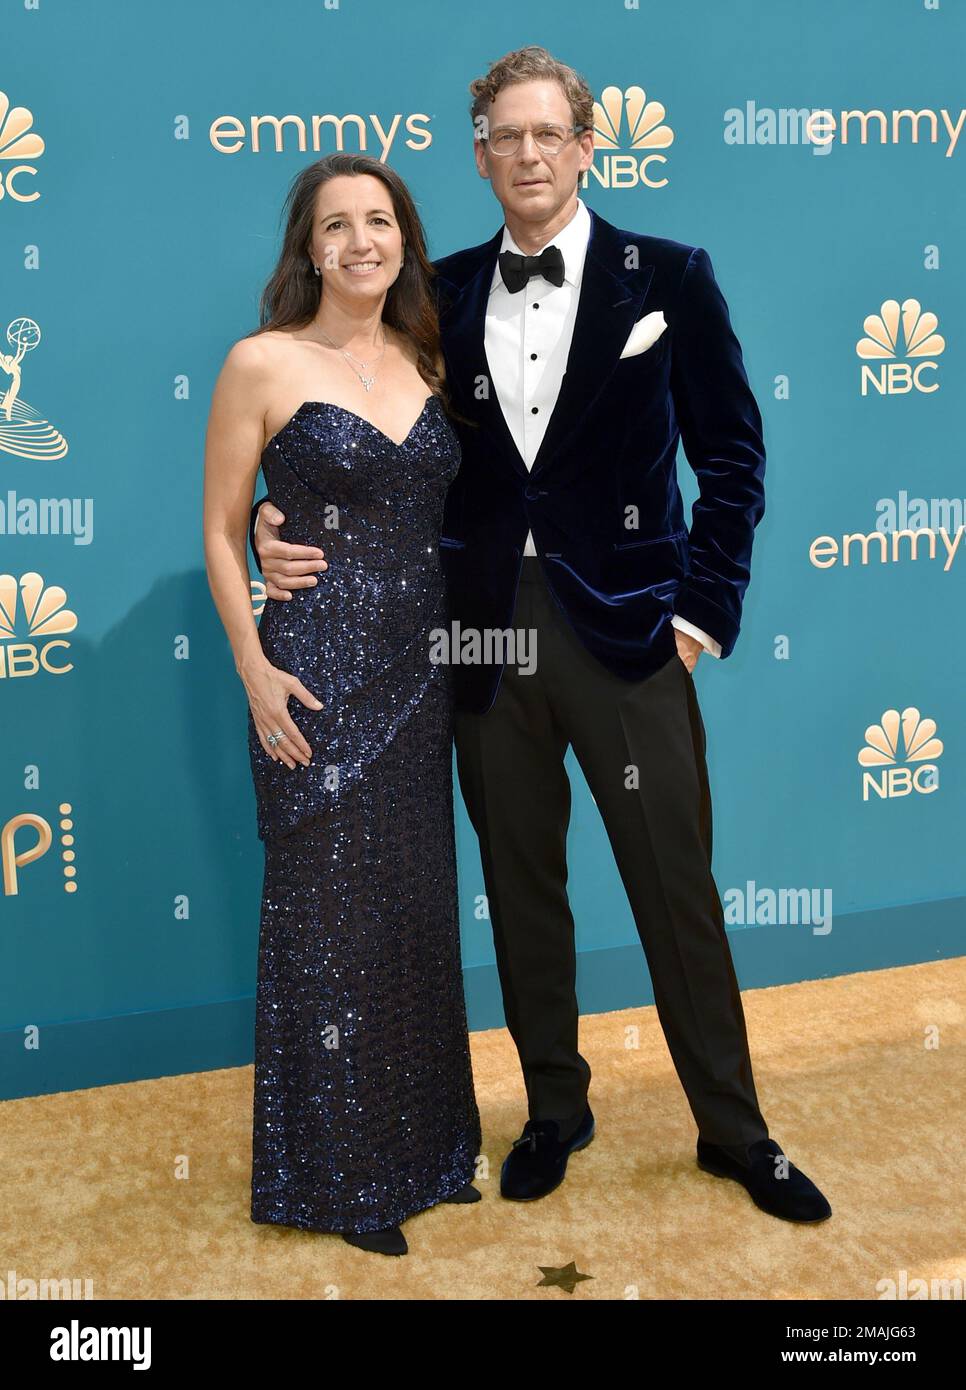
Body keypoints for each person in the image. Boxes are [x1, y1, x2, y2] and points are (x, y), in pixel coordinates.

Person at [250, 47, 831, 1224]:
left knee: (676, 889)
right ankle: (555, 1109)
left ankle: (736, 1131)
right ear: (479, 155)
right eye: (502, 137)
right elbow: (363, 432)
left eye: (545, 135)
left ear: (584, 145)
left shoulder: (669, 275)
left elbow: (733, 456)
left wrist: (703, 609)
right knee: (521, 887)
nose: (525, 155)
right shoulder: (436, 298)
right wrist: (277, 519)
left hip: (628, 635)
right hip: (474, 644)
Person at [203, 152, 482, 1258]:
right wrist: (252, 665)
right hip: (312, 674)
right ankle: (339, 1177)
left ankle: (428, 1151)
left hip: (420, 679)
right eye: (337, 226)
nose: (362, 240)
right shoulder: (260, 362)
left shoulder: (431, 354)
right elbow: (227, 531)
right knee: (325, 926)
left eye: (381, 220)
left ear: (404, 237)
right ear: (308, 248)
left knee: (409, 916)